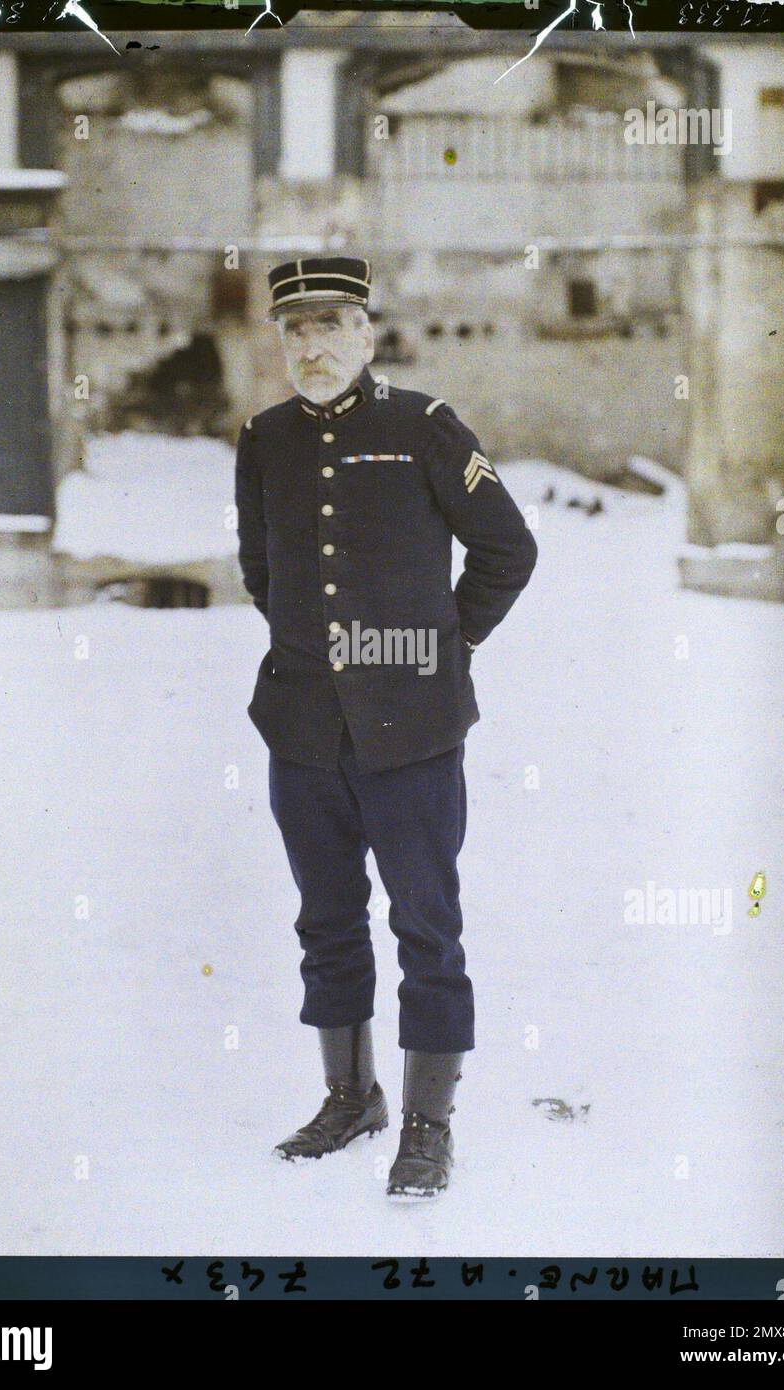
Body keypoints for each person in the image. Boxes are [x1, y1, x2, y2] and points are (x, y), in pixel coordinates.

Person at [235, 256, 537, 1199]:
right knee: (325, 921)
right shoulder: (264, 438)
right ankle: (349, 1097)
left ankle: (427, 1123)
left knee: (425, 927)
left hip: (411, 729)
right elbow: (262, 569)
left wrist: (445, 647)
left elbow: (507, 548)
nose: (312, 346)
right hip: (303, 730)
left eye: (331, 326)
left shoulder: (424, 428)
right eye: (296, 330)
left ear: (368, 334)